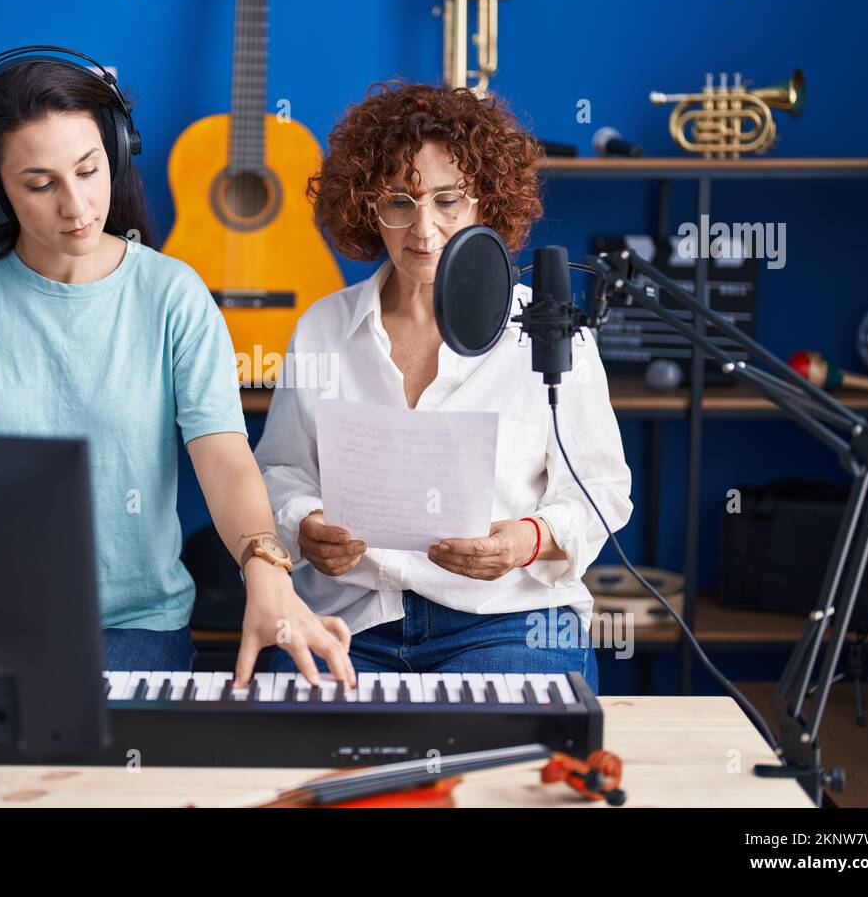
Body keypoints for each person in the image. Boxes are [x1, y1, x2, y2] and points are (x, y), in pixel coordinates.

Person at [0, 53, 356, 688]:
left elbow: (224, 459)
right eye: (39, 183)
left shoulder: (173, 293)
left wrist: (267, 574)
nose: (78, 204)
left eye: (89, 169)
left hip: (132, 626)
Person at [255, 81, 633, 691]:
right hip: (349, 622)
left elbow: (603, 489)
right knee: (300, 768)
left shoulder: (548, 328)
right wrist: (304, 525)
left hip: (506, 621)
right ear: (366, 208)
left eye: (448, 200)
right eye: (399, 203)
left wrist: (528, 541)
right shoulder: (323, 327)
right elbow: (279, 471)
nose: (424, 231)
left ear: (485, 202)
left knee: (503, 771)